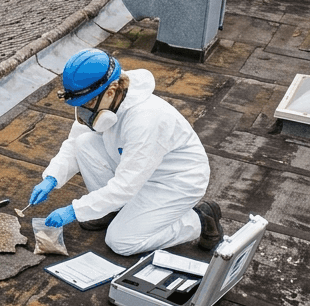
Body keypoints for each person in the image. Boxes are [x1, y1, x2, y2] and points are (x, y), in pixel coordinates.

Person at [29, 48, 221, 256]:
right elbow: (74, 141)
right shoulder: (107, 97)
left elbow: (125, 187)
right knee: (84, 143)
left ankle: (200, 219)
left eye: (89, 103)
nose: (84, 111)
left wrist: (74, 210)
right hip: (137, 170)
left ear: (111, 91)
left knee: (120, 242)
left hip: (174, 183)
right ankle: (114, 211)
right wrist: (51, 178)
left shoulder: (145, 120)